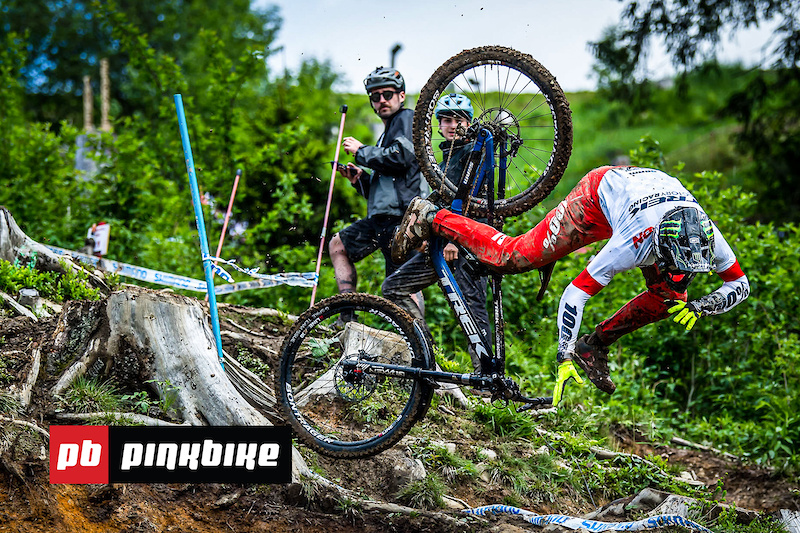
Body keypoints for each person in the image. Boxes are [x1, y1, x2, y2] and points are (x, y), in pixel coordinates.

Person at [391, 165, 750, 404]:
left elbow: (740, 284)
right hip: (596, 198)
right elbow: (575, 293)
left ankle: (593, 346)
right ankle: (433, 216)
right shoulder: (631, 243)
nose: (679, 275)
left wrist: (704, 305)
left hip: (646, 193)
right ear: (657, 247)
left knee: (673, 297)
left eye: (687, 269)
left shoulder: (706, 235)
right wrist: (563, 356)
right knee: (514, 256)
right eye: (672, 266)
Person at [381, 94, 490, 373]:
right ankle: (426, 355)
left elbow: (476, 199)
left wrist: (455, 238)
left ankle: (487, 378)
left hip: (466, 245)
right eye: (447, 120)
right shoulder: (444, 161)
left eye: (459, 119)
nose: (453, 125)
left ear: (469, 122)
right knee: (393, 287)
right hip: (440, 246)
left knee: (471, 308)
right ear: (439, 125)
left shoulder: (473, 153)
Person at [328, 67, 426, 305]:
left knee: (402, 284)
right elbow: (386, 188)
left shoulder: (405, 119)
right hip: (382, 218)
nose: (381, 100)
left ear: (401, 96)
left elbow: (402, 157)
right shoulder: (386, 133)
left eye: (388, 94)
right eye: (375, 96)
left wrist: (361, 151)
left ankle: (417, 338)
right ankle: (346, 314)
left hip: (403, 219)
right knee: (338, 245)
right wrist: (360, 179)